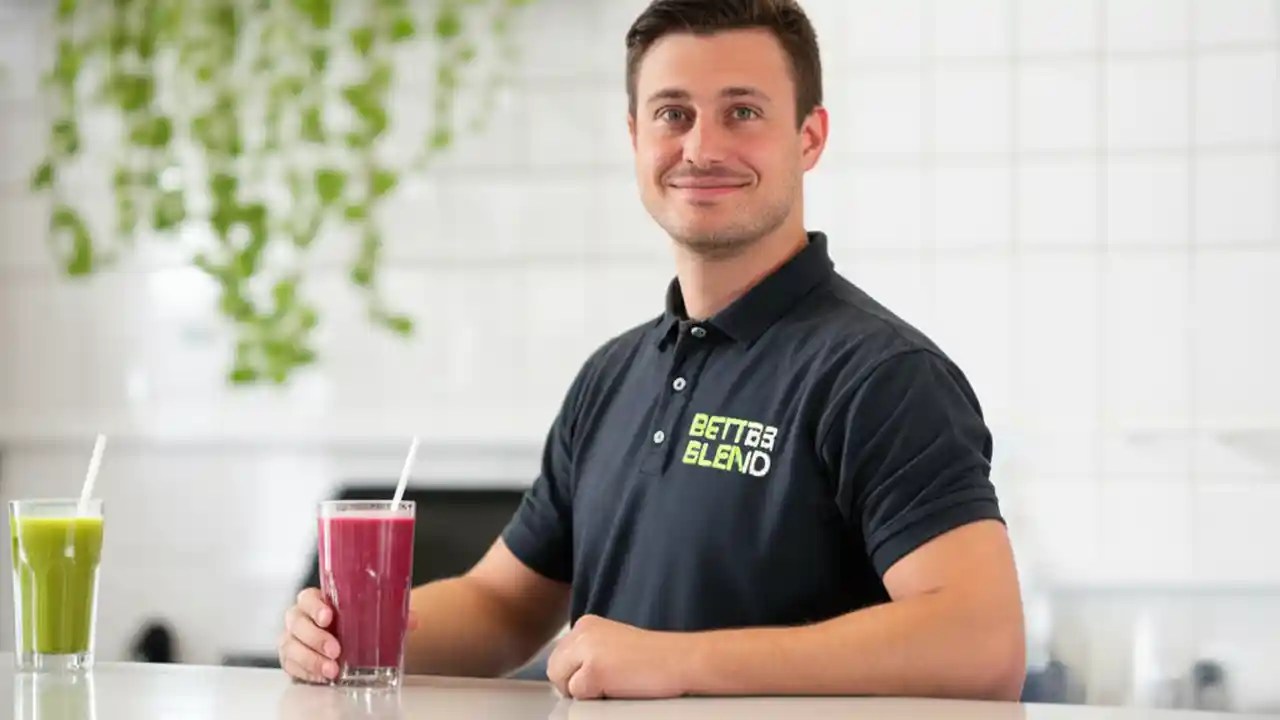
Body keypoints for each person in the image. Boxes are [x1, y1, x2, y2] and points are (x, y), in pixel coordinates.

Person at [280, 0, 1025, 701]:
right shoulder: (613, 376)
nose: (701, 147)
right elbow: (503, 605)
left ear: (809, 136)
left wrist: (679, 660)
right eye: (674, 114)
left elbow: (982, 643)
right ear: (636, 135)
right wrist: (353, 636)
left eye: (743, 112)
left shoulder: (880, 376)